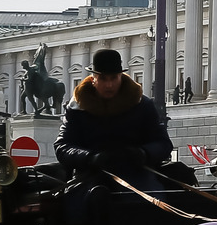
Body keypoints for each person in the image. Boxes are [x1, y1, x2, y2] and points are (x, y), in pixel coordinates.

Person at [55, 49, 174, 189]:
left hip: (137, 174)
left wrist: (142, 153)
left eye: (113, 78)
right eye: (103, 79)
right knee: (83, 201)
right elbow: (62, 146)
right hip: (89, 176)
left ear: (121, 77)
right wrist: (90, 157)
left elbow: (163, 143)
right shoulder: (77, 107)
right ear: (93, 79)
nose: (109, 85)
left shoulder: (142, 104)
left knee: (151, 201)